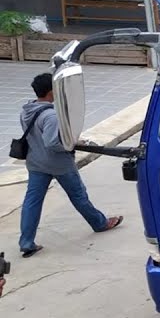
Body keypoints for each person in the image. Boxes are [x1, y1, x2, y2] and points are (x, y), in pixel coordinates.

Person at [17, 73, 123, 258]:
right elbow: (52, 143)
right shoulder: (50, 116)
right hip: (59, 164)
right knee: (78, 195)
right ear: (51, 92)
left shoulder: (26, 110)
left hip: (35, 163)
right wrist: (71, 143)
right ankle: (100, 223)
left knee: (32, 202)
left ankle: (26, 242)